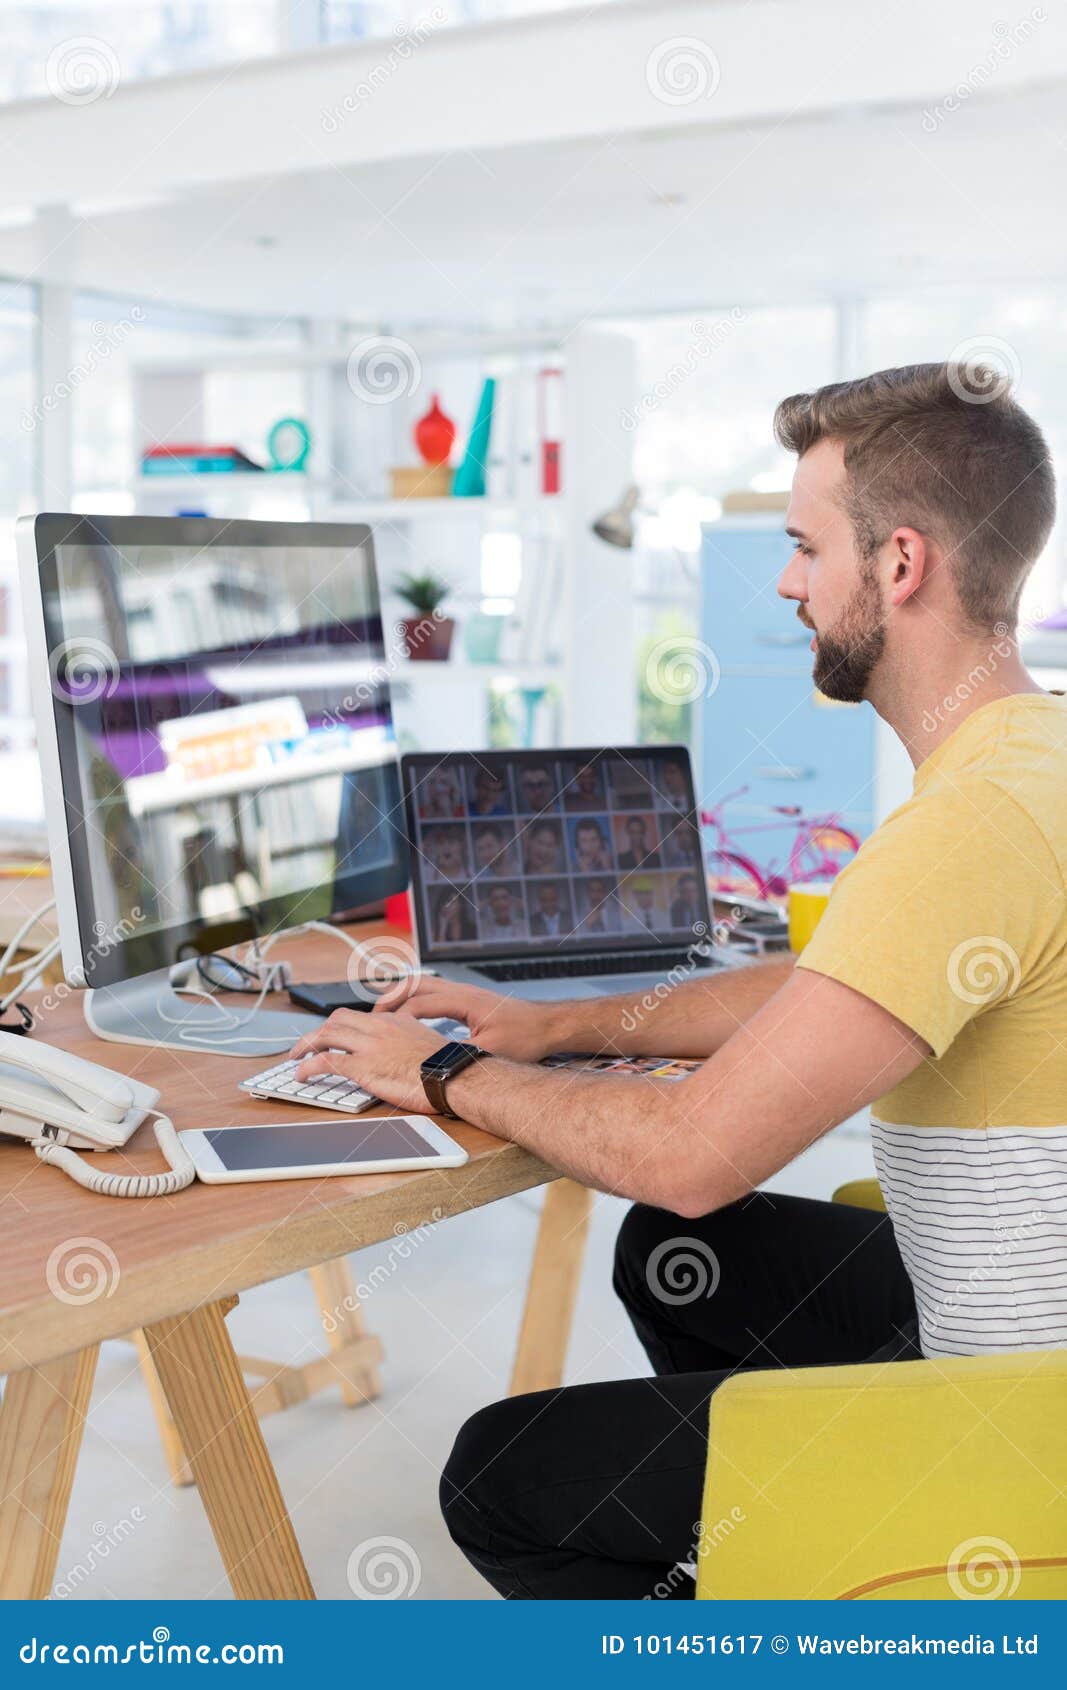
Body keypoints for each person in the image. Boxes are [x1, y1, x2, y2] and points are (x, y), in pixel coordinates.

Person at [290, 363, 1067, 1600]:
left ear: (901, 564)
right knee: (676, 1254)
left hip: (1022, 1427)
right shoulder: (1026, 758)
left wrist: (445, 1072)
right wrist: (558, 1027)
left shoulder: (976, 819)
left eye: (806, 546)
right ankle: (762, 1566)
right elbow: (829, 982)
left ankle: (821, 1604)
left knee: (503, 1476)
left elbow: (693, 1155)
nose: (784, 581)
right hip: (994, 1333)